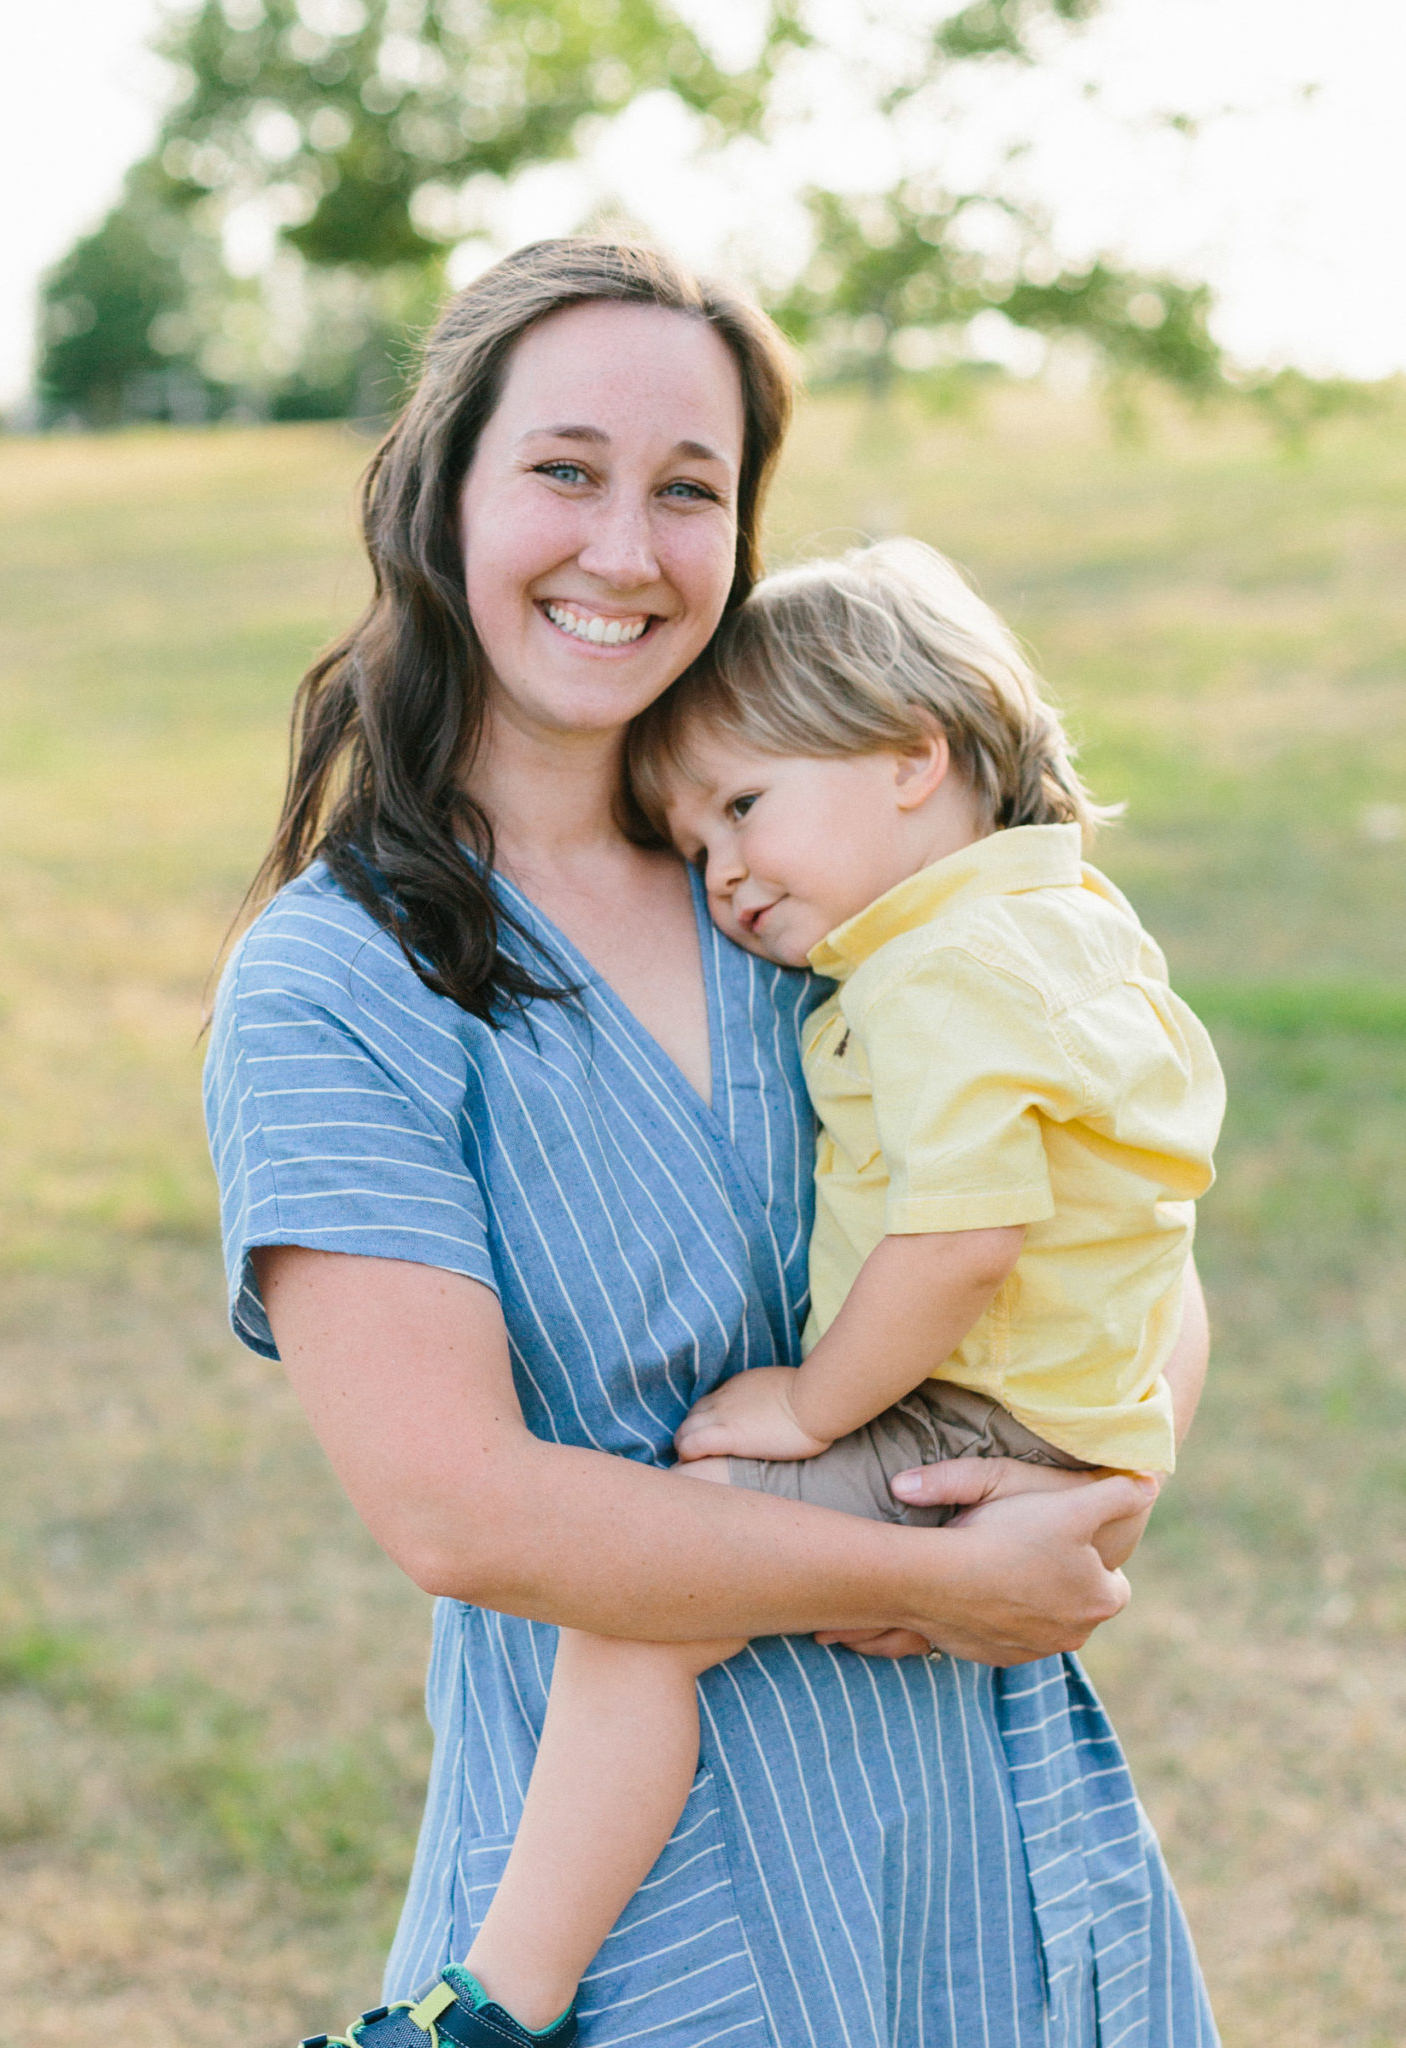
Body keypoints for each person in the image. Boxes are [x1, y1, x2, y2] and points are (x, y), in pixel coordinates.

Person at [203, 238, 1219, 2048]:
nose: (627, 549)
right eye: (567, 470)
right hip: (667, 1927)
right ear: (444, 498)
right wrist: (936, 1575)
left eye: (692, 491)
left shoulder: (812, 881)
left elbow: (1125, 1230)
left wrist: (1098, 1498)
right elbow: (457, 1504)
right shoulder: (336, 983)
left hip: (1016, 1860)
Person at [451, 535, 1226, 2038]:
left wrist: (812, 1405)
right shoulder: (1078, 925)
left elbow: (963, 1238)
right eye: (693, 846)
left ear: (910, 758)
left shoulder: (938, 973)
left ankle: (503, 1995)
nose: (726, 872)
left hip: (962, 1422)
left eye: (744, 807)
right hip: (1079, 1415)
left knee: (641, 1602)